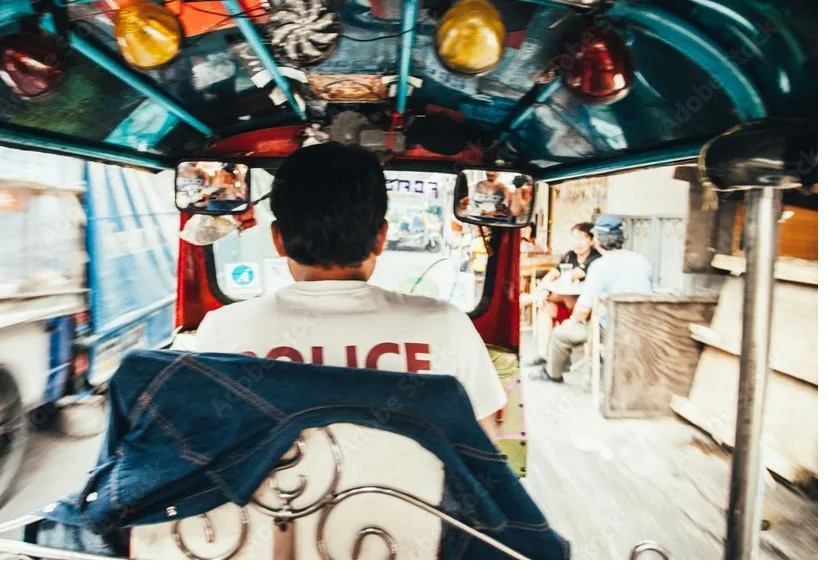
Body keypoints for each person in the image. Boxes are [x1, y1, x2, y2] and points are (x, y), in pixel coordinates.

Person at [185, 142, 508, 440]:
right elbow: (483, 444)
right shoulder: (445, 323)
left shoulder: (222, 329)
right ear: (381, 237)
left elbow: (204, 439)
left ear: (278, 239)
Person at [529, 215, 653, 382]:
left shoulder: (600, 265)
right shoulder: (642, 261)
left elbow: (583, 309)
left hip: (610, 330)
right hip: (642, 326)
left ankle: (553, 373)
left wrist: (572, 320)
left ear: (597, 240)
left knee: (560, 334)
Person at [522, 222, 601, 367]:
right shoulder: (569, 256)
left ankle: (531, 299)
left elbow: (573, 276)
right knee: (546, 307)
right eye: (575, 238)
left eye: (582, 238)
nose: (578, 243)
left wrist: (548, 289)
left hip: (584, 309)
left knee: (558, 295)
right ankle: (543, 356)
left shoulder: (595, 259)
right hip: (566, 302)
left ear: (591, 241)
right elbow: (552, 275)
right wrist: (542, 290)